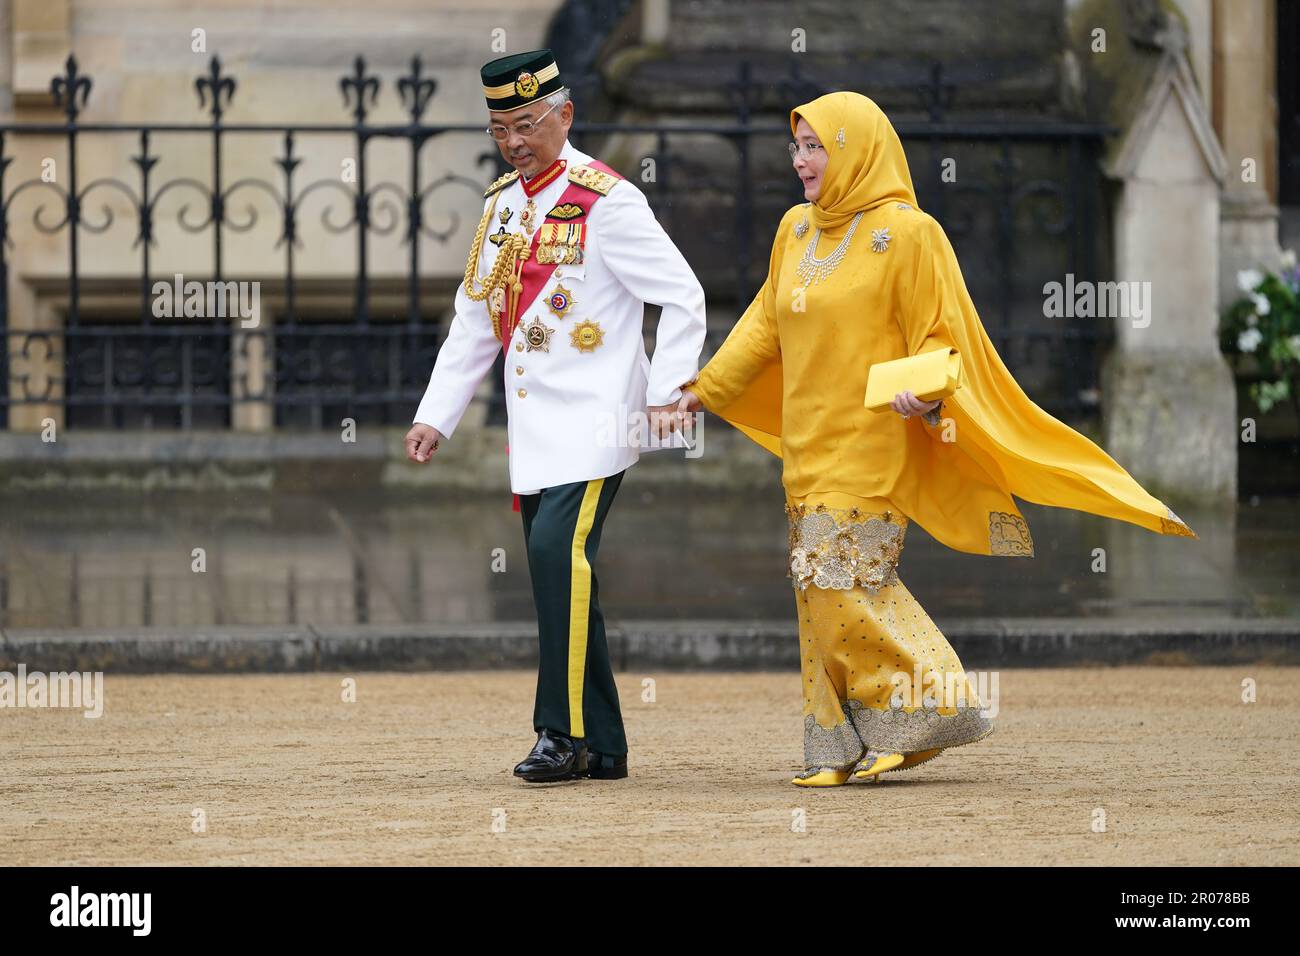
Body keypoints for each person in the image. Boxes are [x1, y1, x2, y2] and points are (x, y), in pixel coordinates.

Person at [676, 91, 1197, 787]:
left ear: (854, 149)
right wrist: (701, 389)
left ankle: (930, 705)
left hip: (872, 441)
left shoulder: (909, 233)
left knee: (839, 579)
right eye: (795, 146)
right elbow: (763, 326)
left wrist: (923, 391)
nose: (799, 160)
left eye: (814, 146)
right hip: (806, 443)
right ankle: (835, 745)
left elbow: (939, 336)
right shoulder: (794, 231)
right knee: (818, 588)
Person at [406, 50, 706, 783]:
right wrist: (437, 415)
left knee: (553, 559)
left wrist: (671, 391)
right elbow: (475, 320)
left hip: (599, 426)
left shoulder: (611, 201)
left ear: (564, 115)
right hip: (535, 428)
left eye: (528, 125)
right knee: (566, 579)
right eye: (500, 129)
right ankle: (604, 745)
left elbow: (684, 293)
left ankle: (559, 732)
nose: (514, 142)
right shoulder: (502, 204)